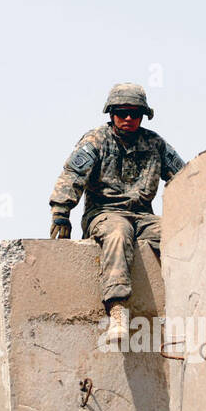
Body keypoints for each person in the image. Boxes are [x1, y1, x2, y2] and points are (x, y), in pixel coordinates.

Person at [49, 83, 187, 344]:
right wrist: (61, 211)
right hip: (104, 214)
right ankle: (118, 310)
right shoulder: (96, 141)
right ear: (111, 113)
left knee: (177, 234)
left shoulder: (154, 144)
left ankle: (183, 302)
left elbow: (185, 177)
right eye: (122, 112)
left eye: (135, 114)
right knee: (118, 233)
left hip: (143, 217)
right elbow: (72, 175)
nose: (128, 119)